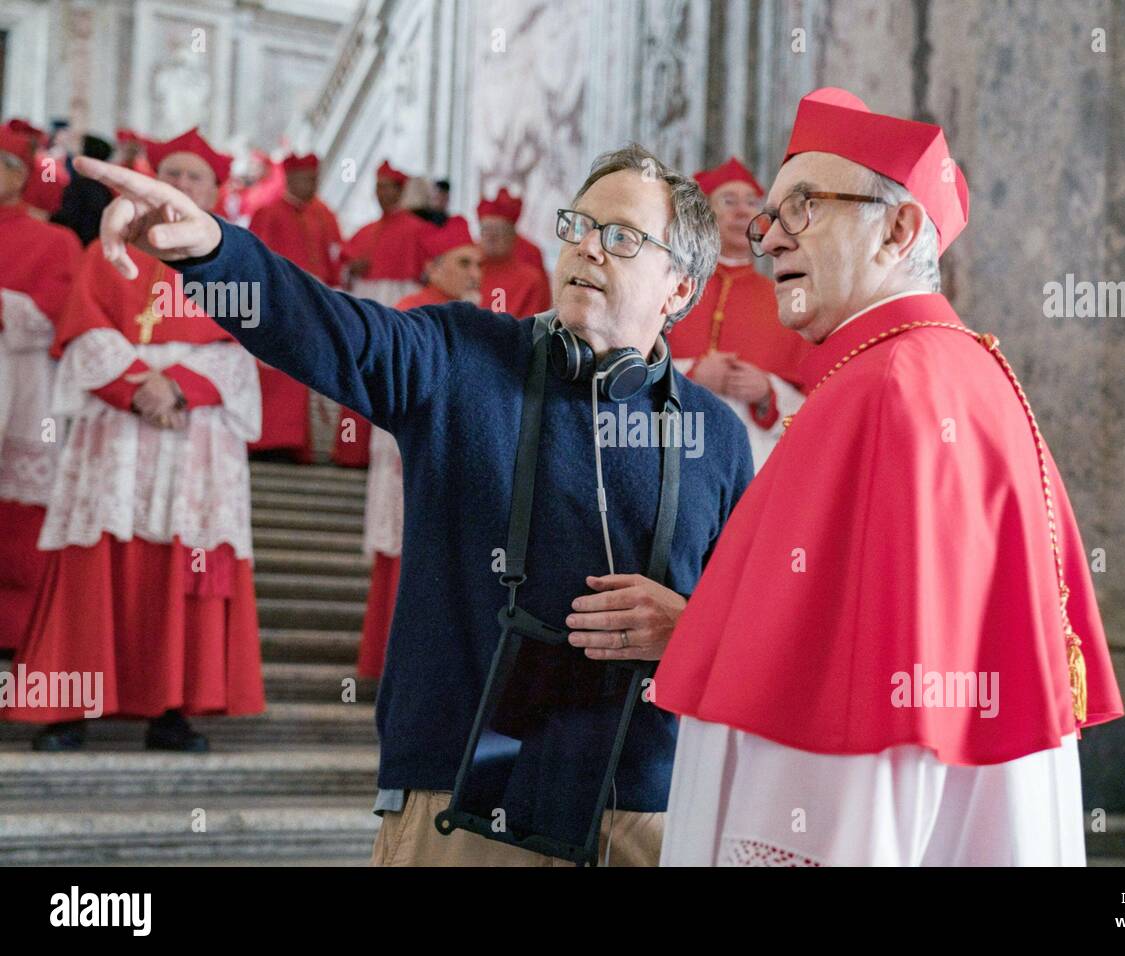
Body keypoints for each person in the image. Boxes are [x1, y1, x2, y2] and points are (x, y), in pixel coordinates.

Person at [74, 141, 751, 866]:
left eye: (620, 237)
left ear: (679, 289)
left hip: (645, 809)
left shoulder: (716, 437)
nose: (586, 248)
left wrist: (692, 629)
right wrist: (212, 251)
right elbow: (327, 328)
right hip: (457, 802)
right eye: (577, 226)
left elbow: (759, 625)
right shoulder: (459, 357)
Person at [655, 87, 1125, 866]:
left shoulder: (891, 385)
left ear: (900, 228)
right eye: (769, 216)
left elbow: (870, 718)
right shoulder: (938, 365)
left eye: (803, 205)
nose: (769, 239)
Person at [5, 127, 264, 751]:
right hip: (114, 432)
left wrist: (175, 387)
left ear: (215, 188)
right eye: (169, 171)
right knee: (96, 560)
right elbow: (84, 327)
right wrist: (135, 386)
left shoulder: (237, 258)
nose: (179, 183)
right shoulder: (107, 248)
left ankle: (170, 710)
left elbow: (246, 350)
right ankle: (69, 711)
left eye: (193, 176)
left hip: (194, 436)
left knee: (185, 563)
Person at [357, 215, 482, 680]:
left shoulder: (477, 319)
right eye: (464, 262)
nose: (475, 273)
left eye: (479, 264)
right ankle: (400, 672)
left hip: (456, 461)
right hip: (412, 461)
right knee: (407, 562)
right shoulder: (412, 310)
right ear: (433, 266)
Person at [668, 156, 809, 469]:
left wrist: (768, 393)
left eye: (751, 203)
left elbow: (814, 405)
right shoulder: (671, 287)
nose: (743, 211)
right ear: (703, 215)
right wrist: (691, 375)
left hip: (753, 465)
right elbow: (628, 371)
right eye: (729, 201)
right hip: (668, 451)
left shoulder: (784, 297)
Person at [0, 127, 82, 652]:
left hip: (24, 385)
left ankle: (15, 633)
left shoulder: (57, 240)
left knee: (18, 523)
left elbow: (58, 311)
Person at [332, 160, 438, 467]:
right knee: (358, 372)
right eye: (377, 187)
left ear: (401, 190)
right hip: (367, 305)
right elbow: (344, 269)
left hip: (401, 306)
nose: (381, 194)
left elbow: (432, 269)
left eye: (387, 187)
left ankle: (389, 454)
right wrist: (353, 268)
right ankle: (351, 451)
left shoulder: (419, 230)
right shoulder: (366, 230)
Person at [248, 152, 343, 462]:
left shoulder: (325, 214)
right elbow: (256, 260)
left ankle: (302, 443)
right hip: (279, 302)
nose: (311, 184)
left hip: (318, 304)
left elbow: (334, 259)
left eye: (315, 178)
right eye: (305, 179)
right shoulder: (268, 213)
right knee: (279, 372)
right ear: (289, 179)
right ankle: (271, 441)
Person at [477, 188, 551, 319]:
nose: (491, 236)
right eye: (486, 229)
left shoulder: (531, 279)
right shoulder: (466, 269)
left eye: (498, 230)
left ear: (513, 235)